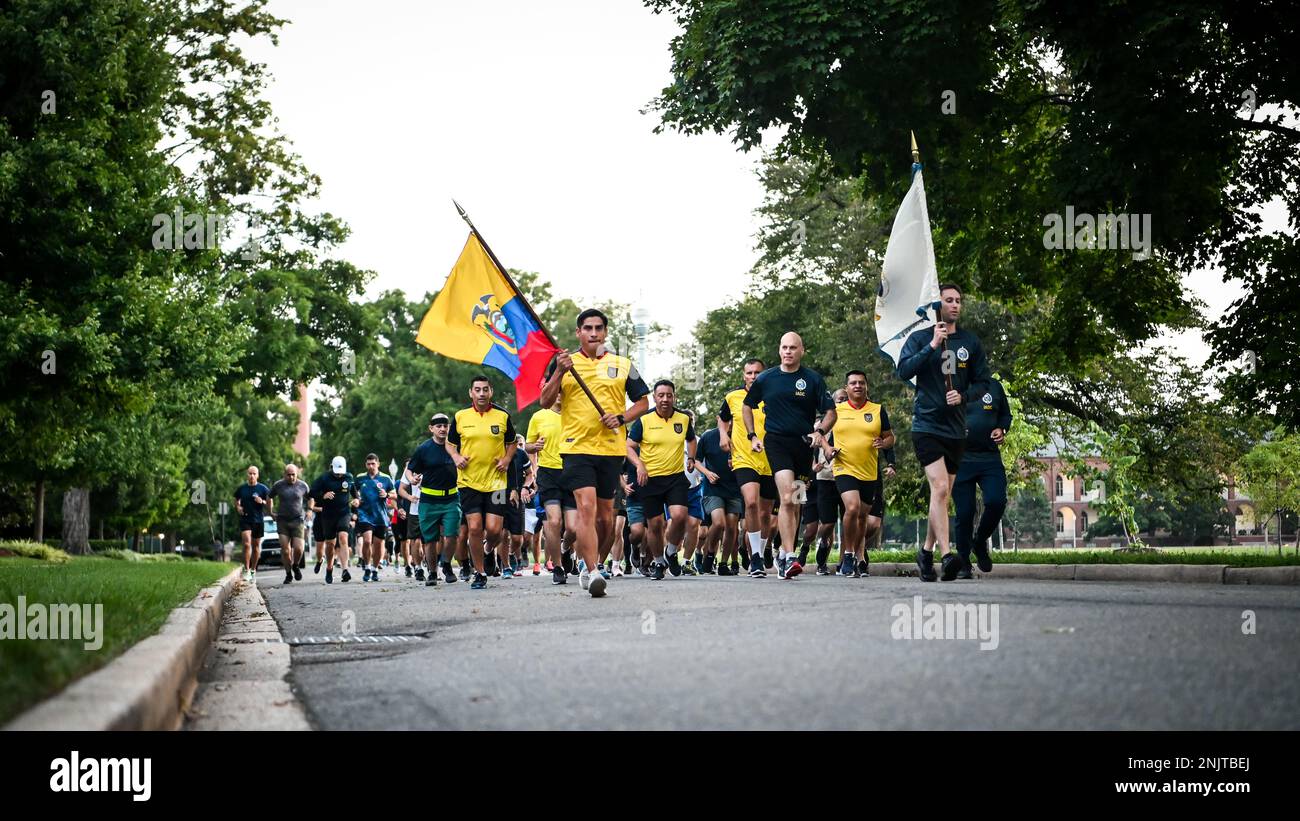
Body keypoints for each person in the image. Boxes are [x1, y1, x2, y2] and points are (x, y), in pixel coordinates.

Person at [539, 308, 650, 597]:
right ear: (578, 332)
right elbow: (544, 400)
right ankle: (592, 570)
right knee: (585, 510)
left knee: (606, 520)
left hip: (611, 450)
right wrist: (560, 372)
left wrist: (621, 417)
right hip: (576, 448)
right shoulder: (564, 363)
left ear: (605, 332)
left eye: (598, 328)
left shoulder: (623, 364)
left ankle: (592, 561)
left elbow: (643, 402)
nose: (593, 333)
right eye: (587, 328)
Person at [897, 283, 992, 581]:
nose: (955, 305)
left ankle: (925, 551)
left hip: (956, 429)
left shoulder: (970, 342)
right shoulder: (920, 339)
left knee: (941, 495)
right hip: (926, 425)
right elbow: (903, 371)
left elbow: (983, 383)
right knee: (939, 489)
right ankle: (947, 555)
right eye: (948, 300)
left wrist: (963, 395)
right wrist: (933, 345)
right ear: (936, 306)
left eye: (958, 301)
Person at [742, 333, 836, 580]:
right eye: (784, 347)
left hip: (803, 444)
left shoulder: (812, 379)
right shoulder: (766, 378)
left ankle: (784, 554)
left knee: (795, 501)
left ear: (802, 350)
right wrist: (752, 435)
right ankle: (791, 556)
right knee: (786, 496)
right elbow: (746, 406)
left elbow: (830, 412)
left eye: (793, 348)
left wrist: (820, 431)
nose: (788, 352)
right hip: (776, 442)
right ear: (779, 349)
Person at [446, 375, 517, 591]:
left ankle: (487, 551)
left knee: (495, 531)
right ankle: (480, 572)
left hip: (496, 482)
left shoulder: (503, 416)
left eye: (485, 389)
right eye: (477, 390)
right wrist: (457, 458)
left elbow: (512, 443)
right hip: (469, 482)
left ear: (491, 392)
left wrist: (506, 459)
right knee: (475, 527)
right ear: (471, 393)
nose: (482, 394)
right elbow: (450, 444)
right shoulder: (460, 416)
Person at [625, 380, 697, 581]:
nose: (665, 399)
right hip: (650, 480)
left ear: (674, 397)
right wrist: (639, 465)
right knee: (655, 524)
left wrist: (691, 458)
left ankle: (671, 552)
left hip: (675, 477)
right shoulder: (644, 421)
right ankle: (658, 561)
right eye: (661, 395)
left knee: (680, 516)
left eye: (669, 395)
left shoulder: (683, 419)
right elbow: (628, 446)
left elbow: (691, 440)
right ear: (655, 397)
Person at [827, 371, 895, 578]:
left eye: (861, 383)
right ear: (846, 388)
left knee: (863, 517)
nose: (857, 386)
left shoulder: (877, 410)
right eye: (853, 383)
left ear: (867, 386)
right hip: (844, 467)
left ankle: (857, 556)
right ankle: (848, 555)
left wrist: (884, 443)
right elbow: (823, 438)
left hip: (868, 470)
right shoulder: (836, 410)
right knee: (853, 507)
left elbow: (890, 437)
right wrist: (828, 450)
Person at [718, 358, 778, 577]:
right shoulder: (733, 397)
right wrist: (724, 434)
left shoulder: (773, 396)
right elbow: (723, 418)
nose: (753, 376)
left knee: (766, 515)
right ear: (743, 375)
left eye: (757, 373)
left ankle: (759, 554)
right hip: (744, 458)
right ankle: (755, 558)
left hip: (771, 459)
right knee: (751, 503)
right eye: (749, 373)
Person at [953, 376, 1012, 578]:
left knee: (997, 501)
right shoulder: (953, 385)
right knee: (965, 512)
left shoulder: (994, 386)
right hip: (960, 459)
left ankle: (979, 542)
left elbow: (1005, 415)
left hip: (989, 458)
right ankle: (963, 563)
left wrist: (1001, 429)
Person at [405, 414, 462, 585]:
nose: (442, 429)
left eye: (445, 425)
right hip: (428, 500)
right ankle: (432, 571)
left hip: (451, 497)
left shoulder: (455, 446)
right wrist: (411, 478)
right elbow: (410, 469)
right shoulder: (424, 449)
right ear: (431, 428)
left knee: (452, 535)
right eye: (438, 426)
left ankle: (446, 564)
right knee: (430, 540)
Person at [695, 424, 741, 575]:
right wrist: (707, 473)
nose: (730, 423)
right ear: (719, 420)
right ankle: (709, 554)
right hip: (713, 488)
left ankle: (723, 564)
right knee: (719, 522)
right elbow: (696, 460)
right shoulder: (708, 437)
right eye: (727, 419)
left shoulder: (741, 434)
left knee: (732, 527)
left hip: (735, 488)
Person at [310, 456, 359, 584]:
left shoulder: (349, 477)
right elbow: (311, 492)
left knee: (343, 538)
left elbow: (355, 494)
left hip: (344, 513)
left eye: (341, 472)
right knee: (330, 544)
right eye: (337, 473)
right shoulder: (324, 478)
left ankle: (345, 570)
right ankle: (329, 568)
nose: (339, 475)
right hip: (328, 515)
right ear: (332, 468)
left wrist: (356, 500)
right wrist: (323, 496)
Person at [355, 453, 395, 583]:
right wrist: (355, 500)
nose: (371, 466)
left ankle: (375, 569)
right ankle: (366, 566)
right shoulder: (360, 478)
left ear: (378, 464)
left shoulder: (386, 478)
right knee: (367, 541)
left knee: (379, 544)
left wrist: (387, 494)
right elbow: (353, 493)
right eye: (368, 464)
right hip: (365, 514)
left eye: (373, 463)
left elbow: (395, 494)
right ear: (365, 464)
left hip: (380, 516)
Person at [268, 463, 310, 585]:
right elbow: (269, 497)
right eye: (289, 475)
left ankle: (295, 565)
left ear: (297, 474)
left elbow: (311, 498)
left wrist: (310, 510)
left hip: (298, 520)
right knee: (285, 550)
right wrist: (271, 512)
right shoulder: (278, 485)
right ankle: (288, 574)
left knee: (299, 548)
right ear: (284, 474)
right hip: (282, 521)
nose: (291, 477)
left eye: (293, 475)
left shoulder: (303, 485)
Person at [233, 465, 270, 583]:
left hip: (258, 520)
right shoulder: (242, 489)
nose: (252, 475)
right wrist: (238, 507)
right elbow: (236, 500)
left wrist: (262, 501)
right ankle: (247, 569)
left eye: (254, 473)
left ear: (257, 475)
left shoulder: (263, 489)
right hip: (245, 519)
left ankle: (253, 570)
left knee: (255, 547)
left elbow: (269, 503)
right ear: (247, 475)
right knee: (247, 544)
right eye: (250, 473)